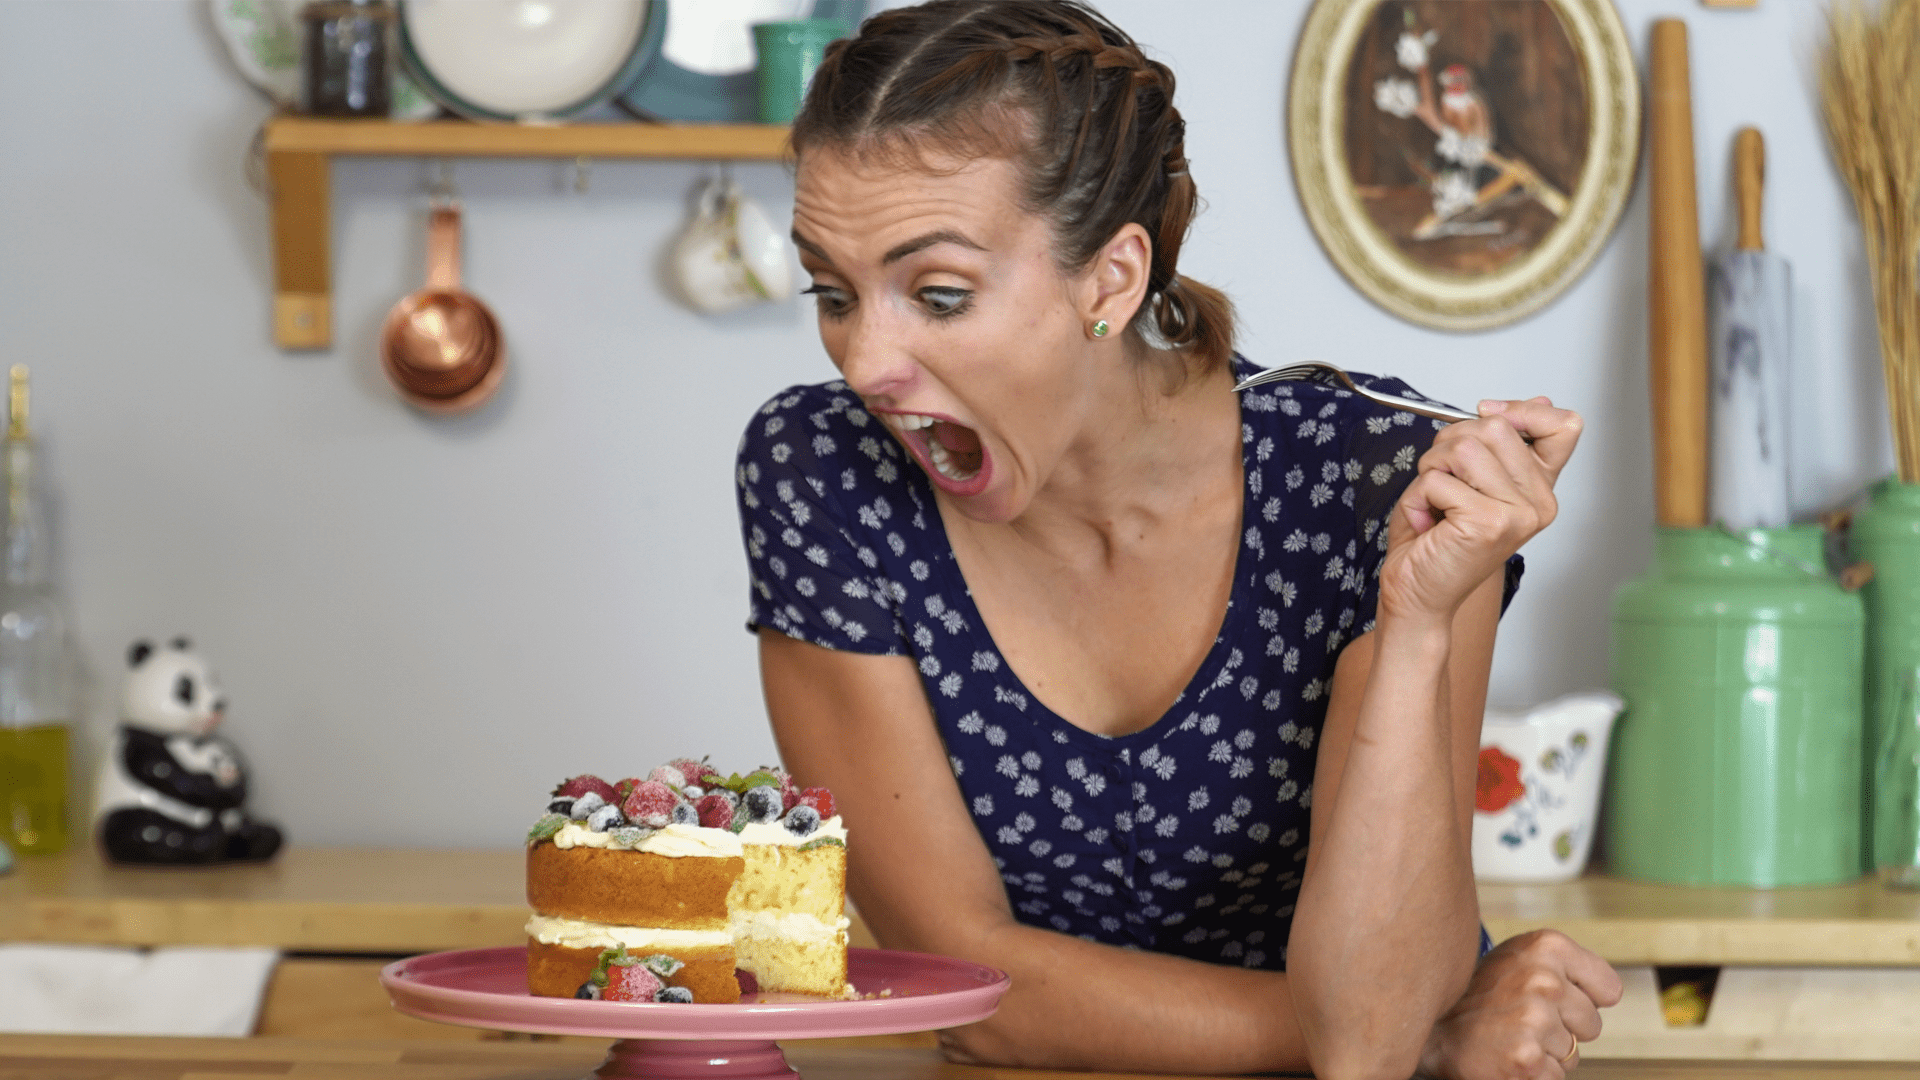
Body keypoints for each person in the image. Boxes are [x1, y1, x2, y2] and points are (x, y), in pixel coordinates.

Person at [733, 2, 1618, 1076]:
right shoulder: (824, 476)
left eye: (939, 294)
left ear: (1109, 279)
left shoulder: (1382, 489)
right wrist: (1428, 1029)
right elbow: (959, 985)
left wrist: (1420, 622)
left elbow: (1372, 1044)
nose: (864, 362)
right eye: (833, 291)